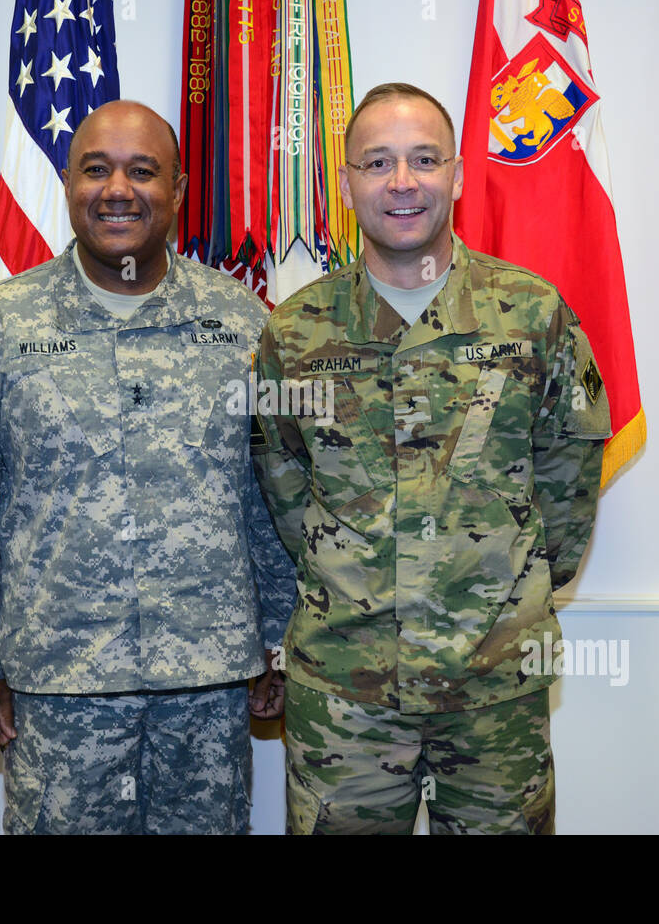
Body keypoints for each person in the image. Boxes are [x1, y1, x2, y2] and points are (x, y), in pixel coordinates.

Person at [0, 100, 293, 834]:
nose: (118, 188)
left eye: (143, 171)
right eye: (96, 169)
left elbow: (269, 497)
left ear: (178, 191)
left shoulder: (241, 323)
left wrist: (277, 639)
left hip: (205, 689)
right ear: (67, 184)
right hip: (59, 691)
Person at [250, 82, 611, 834]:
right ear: (345, 184)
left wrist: (506, 592)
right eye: (377, 162)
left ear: (458, 174)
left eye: (423, 159)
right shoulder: (297, 332)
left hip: (497, 688)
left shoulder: (532, 314)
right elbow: (282, 486)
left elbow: (569, 481)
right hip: (345, 692)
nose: (403, 181)